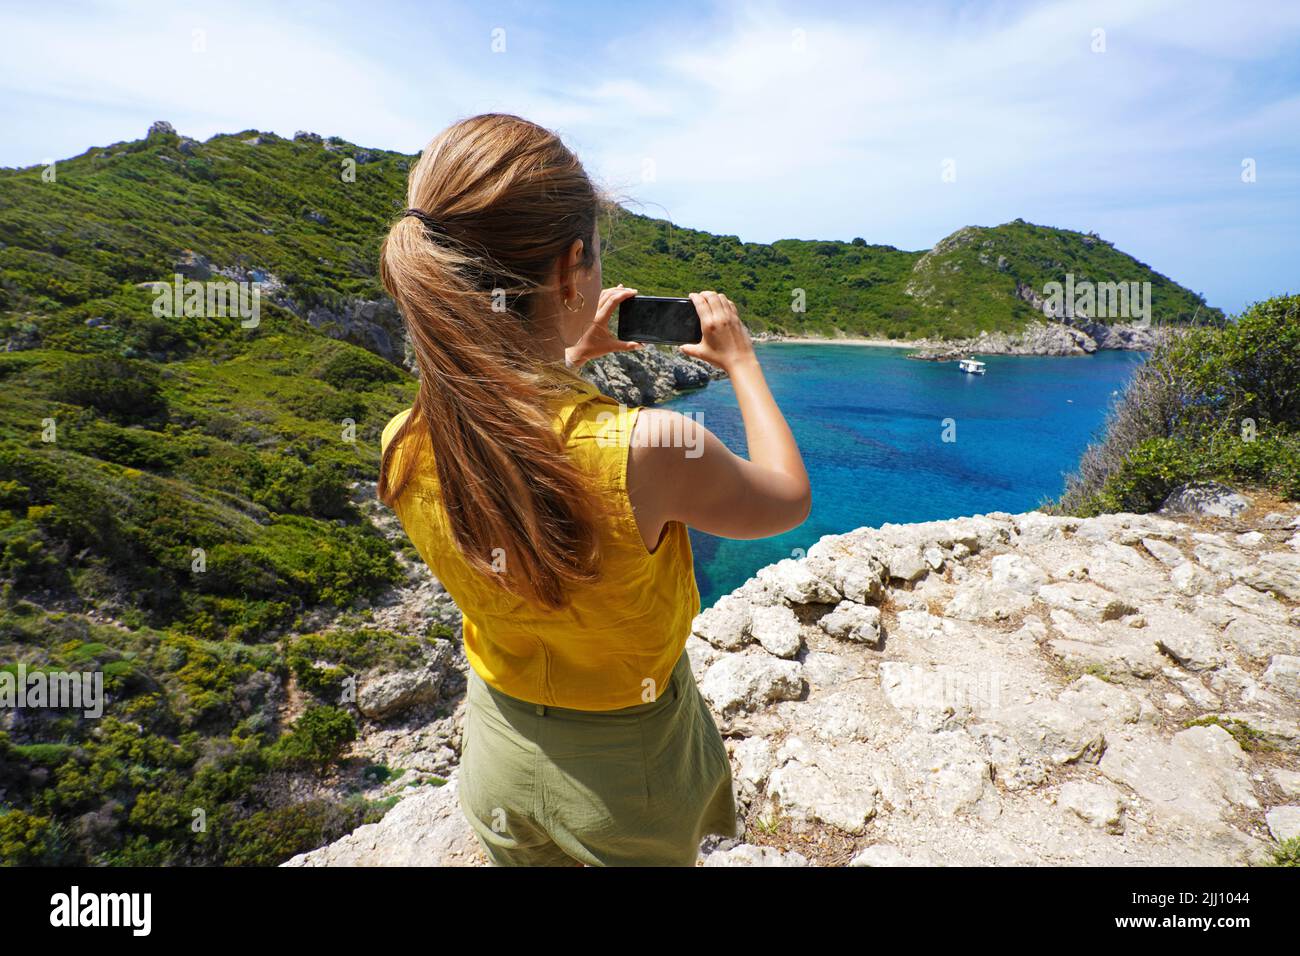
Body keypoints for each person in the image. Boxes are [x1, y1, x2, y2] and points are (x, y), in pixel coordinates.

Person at [377, 113, 811, 866]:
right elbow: (786, 498)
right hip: (626, 778)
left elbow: (512, 429)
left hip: (497, 749)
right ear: (572, 267)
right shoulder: (650, 449)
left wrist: (571, 353)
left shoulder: (404, 440)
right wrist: (742, 364)